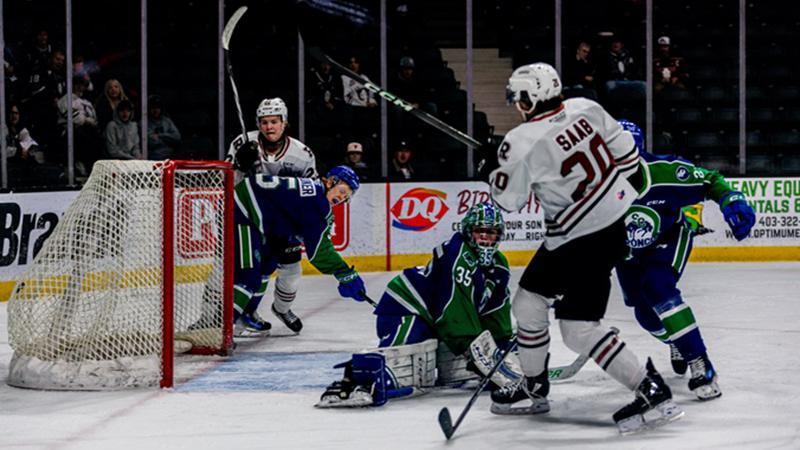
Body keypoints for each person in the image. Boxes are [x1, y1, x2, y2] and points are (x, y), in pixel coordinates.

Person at [488, 62, 682, 434]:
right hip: (604, 229)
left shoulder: (520, 141)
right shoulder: (585, 107)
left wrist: (495, 168)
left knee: (578, 328)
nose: (517, 105)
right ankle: (534, 386)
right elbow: (629, 160)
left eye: (520, 98)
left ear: (529, 98)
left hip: (579, 239)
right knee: (527, 302)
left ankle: (649, 387)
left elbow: (509, 201)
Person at [317, 202, 516, 407]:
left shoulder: (499, 264)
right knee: (402, 364)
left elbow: (496, 308)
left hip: (434, 315)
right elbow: (453, 308)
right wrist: (473, 351)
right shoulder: (459, 257)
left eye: (491, 232)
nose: (485, 238)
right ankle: (357, 379)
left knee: (428, 367)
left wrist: (503, 346)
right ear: (468, 232)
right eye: (479, 231)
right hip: (406, 306)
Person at [616, 119, 756, 401]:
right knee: (642, 312)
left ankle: (700, 363)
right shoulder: (594, 184)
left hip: (669, 237)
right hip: (627, 250)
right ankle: (675, 341)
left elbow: (711, 180)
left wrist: (731, 199)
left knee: (658, 288)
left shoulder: (665, 172)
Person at [233, 166, 367, 336]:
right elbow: (319, 251)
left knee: (267, 265)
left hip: (260, 216)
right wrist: (344, 272)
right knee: (249, 277)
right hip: (242, 209)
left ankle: (247, 314)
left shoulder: (315, 191)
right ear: (331, 181)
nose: (341, 198)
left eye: (346, 197)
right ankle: (221, 330)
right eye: (342, 191)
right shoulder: (318, 204)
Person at [226, 97, 318, 335]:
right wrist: (238, 165)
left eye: (274, 121)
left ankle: (281, 308)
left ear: (284, 123)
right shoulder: (241, 144)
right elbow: (226, 184)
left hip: (283, 223)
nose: (269, 127)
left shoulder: (302, 154)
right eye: (264, 122)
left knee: (291, 271)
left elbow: (312, 192)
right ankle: (240, 315)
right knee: (252, 270)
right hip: (249, 219)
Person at [146, 94, 181, 160]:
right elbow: (152, 143)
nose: (155, 110)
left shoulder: (167, 121)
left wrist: (160, 135)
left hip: (170, 156)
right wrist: (169, 140)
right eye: (153, 108)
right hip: (154, 158)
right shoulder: (144, 123)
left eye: (157, 107)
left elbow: (177, 137)